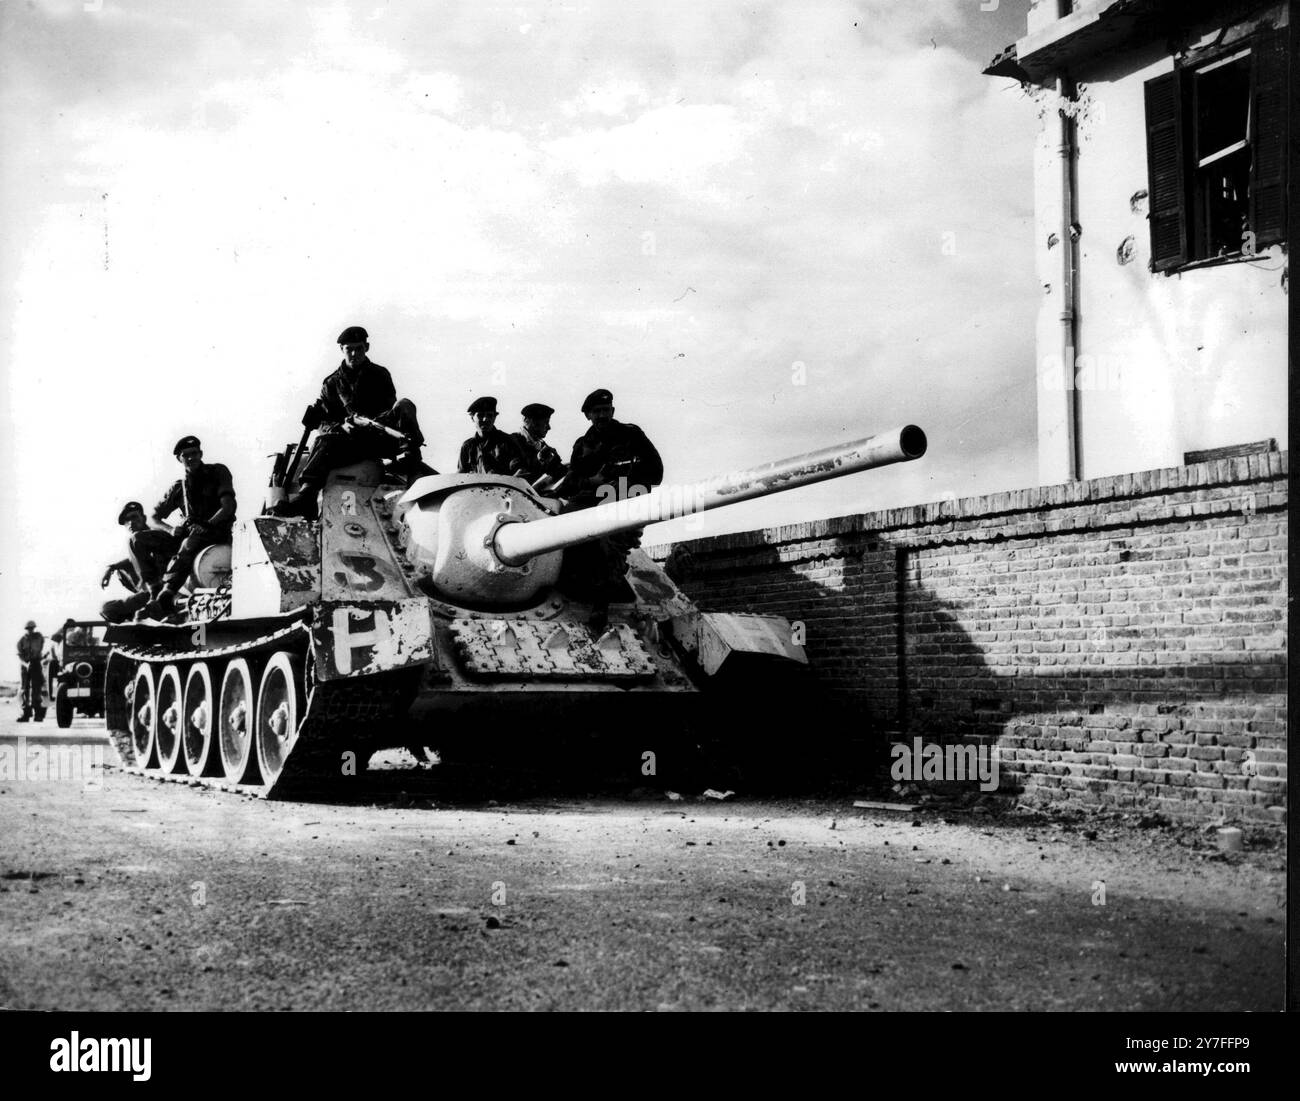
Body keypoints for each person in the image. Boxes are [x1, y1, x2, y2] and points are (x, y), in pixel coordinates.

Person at [273, 326, 426, 519]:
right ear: (342, 350)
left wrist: (374, 422)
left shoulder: (380, 375)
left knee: (405, 405)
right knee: (324, 441)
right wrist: (342, 427)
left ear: (367, 348)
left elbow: (390, 409)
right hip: (349, 443)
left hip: (378, 439)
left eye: (359, 348)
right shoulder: (331, 383)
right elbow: (323, 423)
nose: (354, 354)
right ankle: (307, 496)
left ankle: (414, 468)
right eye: (349, 349)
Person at [558, 389, 664, 620]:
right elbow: (570, 483)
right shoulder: (582, 444)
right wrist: (592, 481)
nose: (602, 415)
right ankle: (574, 585)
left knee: (609, 537)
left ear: (613, 411)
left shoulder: (631, 435)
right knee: (564, 525)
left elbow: (656, 472)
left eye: (606, 410)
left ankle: (601, 601)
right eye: (597, 412)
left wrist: (626, 483)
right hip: (592, 497)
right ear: (588, 415)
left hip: (624, 497)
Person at [137, 436, 237, 620]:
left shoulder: (218, 472)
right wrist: (169, 529)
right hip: (190, 535)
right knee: (138, 540)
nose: (191, 458)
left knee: (190, 543)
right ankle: (154, 591)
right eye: (186, 455)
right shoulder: (179, 487)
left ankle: (166, 596)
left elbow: (228, 507)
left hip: (217, 531)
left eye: (194, 453)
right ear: (179, 459)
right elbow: (153, 517)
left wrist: (206, 525)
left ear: (201, 454)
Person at [100, 501, 180, 623]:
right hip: (148, 593)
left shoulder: (158, 536)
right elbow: (132, 561)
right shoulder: (138, 545)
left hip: (168, 590)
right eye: (126, 521)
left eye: (134, 517)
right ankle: (146, 617)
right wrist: (111, 568)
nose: (130, 523)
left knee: (135, 539)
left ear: (143, 518)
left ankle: (156, 609)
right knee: (107, 609)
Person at [456, 396, 529, 476]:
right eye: (480, 415)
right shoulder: (467, 447)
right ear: (472, 418)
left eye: (490, 415)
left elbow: (519, 470)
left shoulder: (508, 441)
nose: (485, 419)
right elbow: (460, 477)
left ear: (495, 418)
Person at [510, 402, 568, 488]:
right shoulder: (511, 441)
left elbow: (559, 472)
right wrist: (540, 459)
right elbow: (520, 474)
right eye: (546, 422)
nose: (549, 427)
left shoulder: (543, 446)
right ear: (532, 422)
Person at [16, 620, 46, 723]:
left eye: (32, 628)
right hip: (25, 665)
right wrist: (26, 664)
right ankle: (26, 714)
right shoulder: (21, 640)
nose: (31, 630)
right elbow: (19, 655)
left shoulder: (39, 638)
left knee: (37, 689)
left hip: (36, 664)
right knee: (24, 689)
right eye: (29, 629)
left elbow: (41, 648)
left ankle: (38, 714)